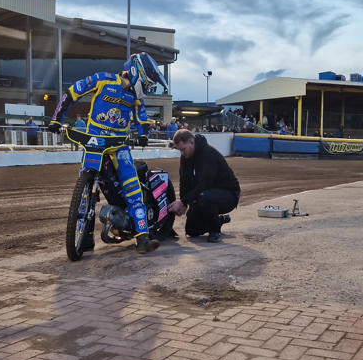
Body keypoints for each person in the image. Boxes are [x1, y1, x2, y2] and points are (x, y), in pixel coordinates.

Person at [48, 52, 167, 254]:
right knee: (86, 195)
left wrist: (143, 134)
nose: (147, 88)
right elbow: (72, 92)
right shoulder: (102, 79)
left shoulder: (135, 97)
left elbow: (142, 117)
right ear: (139, 73)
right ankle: (85, 239)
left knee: (132, 189)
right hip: (94, 140)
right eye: (148, 83)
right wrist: (56, 119)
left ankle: (142, 238)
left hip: (119, 144)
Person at [168, 129, 241, 243]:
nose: (182, 153)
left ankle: (214, 230)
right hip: (206, 194)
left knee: (204, 197)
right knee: (191, 230)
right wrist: (184, 203)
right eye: (180, 150)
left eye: (183, 149)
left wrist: (183, 201)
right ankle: (219, 220)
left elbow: (205, 183)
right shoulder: (185, 157)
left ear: (191, 142)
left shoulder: (208, 153)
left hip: (228, 194)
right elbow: (184, 181)